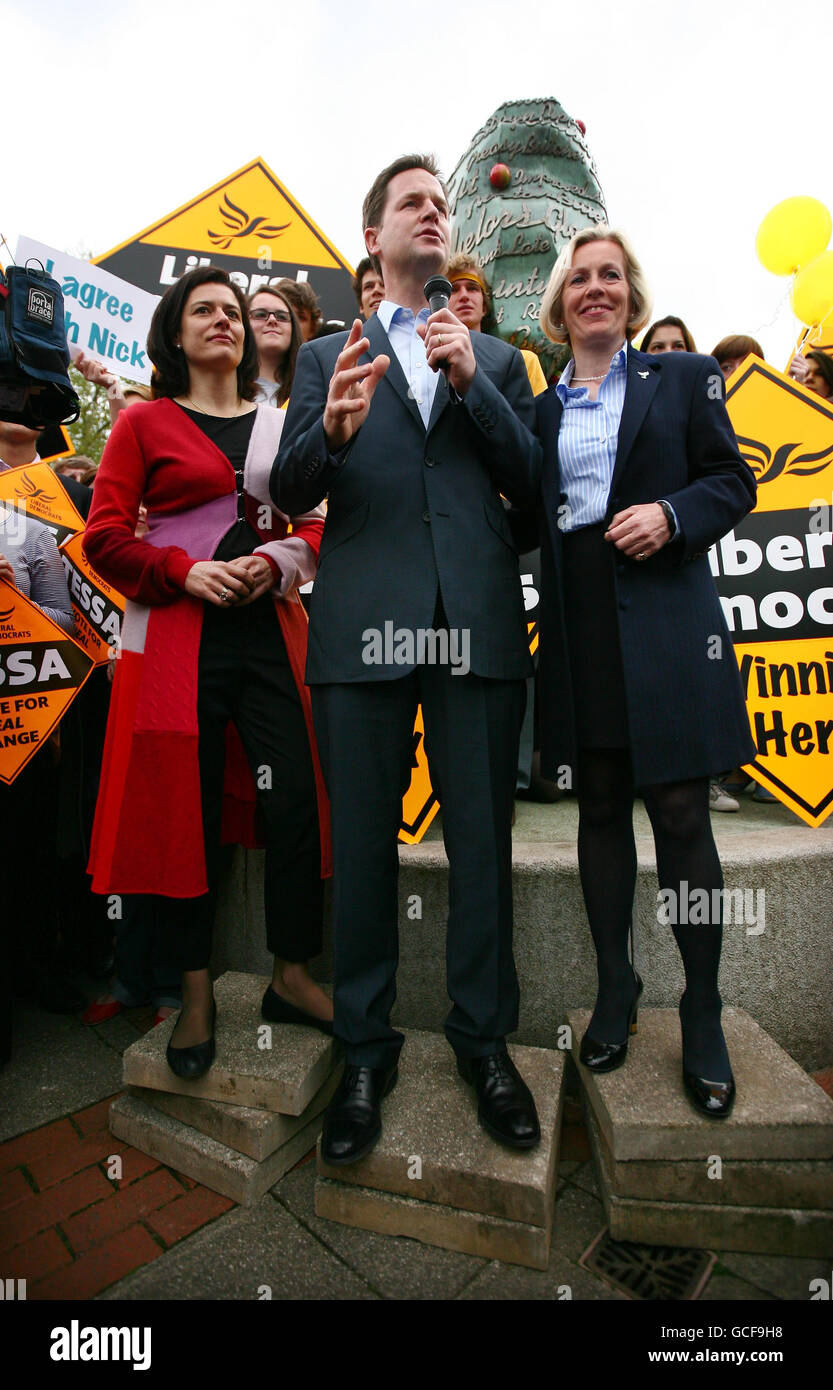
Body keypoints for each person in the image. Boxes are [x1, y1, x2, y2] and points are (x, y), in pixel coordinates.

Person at [274, 153, 543, 1164]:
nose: (432, 212)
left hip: (473, 625)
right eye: (411, 202)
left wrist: (474, 386)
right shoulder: (321, 360)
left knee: (481, 844)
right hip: (361, 632)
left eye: (440, 202)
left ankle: (483, 1044)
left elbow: (529, 491)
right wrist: (334, 433)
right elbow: (291, 486)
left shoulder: (501, 358)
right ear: (374, 242)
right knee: (363, 856)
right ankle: (362, 1050)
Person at [83, 265, 331, 1081]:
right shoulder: (143, 425)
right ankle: (194, 994)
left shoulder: (282, 425)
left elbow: (317, 528)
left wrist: (280, 558)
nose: (223, 320)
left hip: (267, 634)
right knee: (182, 814)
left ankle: (291, 974)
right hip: (178, 641)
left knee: (294, 794)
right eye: (204, 310)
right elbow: (104, 538)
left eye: (233, 310)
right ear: (176, 333)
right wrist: (181, 572)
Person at [532, 225, 756, 1118]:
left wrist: (669, 513)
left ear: (630, 296)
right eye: (579, 277)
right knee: (597, 805)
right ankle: (615, 988)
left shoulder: (684, 376)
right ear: (558, 304)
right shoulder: (538, 408)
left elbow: (733, 483)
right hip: (578, 616)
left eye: (610, 276)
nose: (596, 288)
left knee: (679, 811)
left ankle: (700, 1010)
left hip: (666, 614)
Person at [246, 286, 303, 408]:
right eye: (260, 314)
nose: (272, 320)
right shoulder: (225, 389)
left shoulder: (310, 391)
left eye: (282, 317)